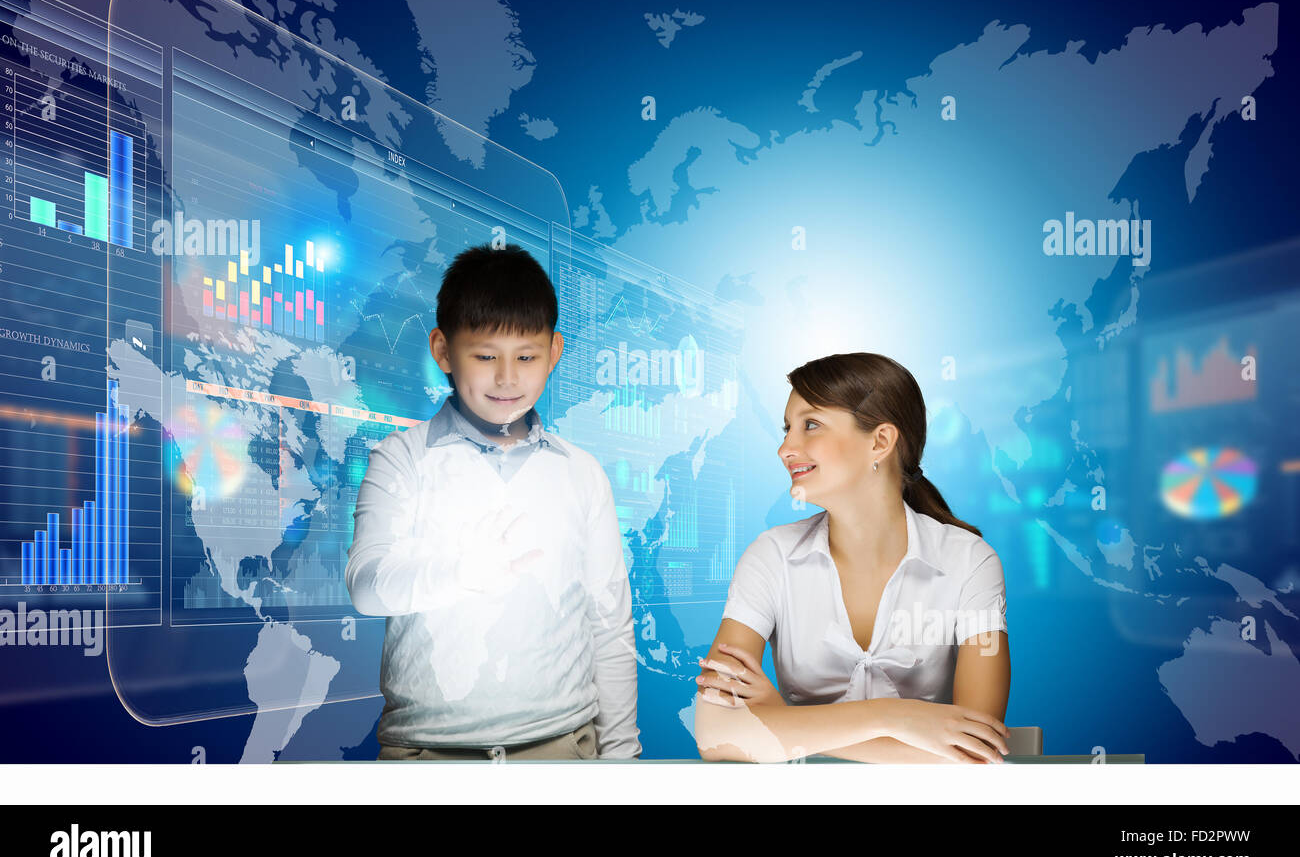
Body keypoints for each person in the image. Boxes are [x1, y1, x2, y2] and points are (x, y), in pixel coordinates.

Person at [345, 243, 640, 761]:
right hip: (428, 758)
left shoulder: (581, 473)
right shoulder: (402, 460)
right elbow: (367, 588)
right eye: (484, 356)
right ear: (442, 351)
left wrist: (621, 761)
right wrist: (461, 572)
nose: (507, 378)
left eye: (526, 357)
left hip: (564, 753)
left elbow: (609, 625)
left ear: (554, 351)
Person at [693, 352, 1010, 763]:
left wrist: (779, 723)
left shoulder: (971, 563)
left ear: (880, 441)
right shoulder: (769, 557)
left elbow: (976, 750)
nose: (785, 448)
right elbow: (715, 734)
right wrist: (896, 717)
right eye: (787, 428)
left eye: (811, 425)